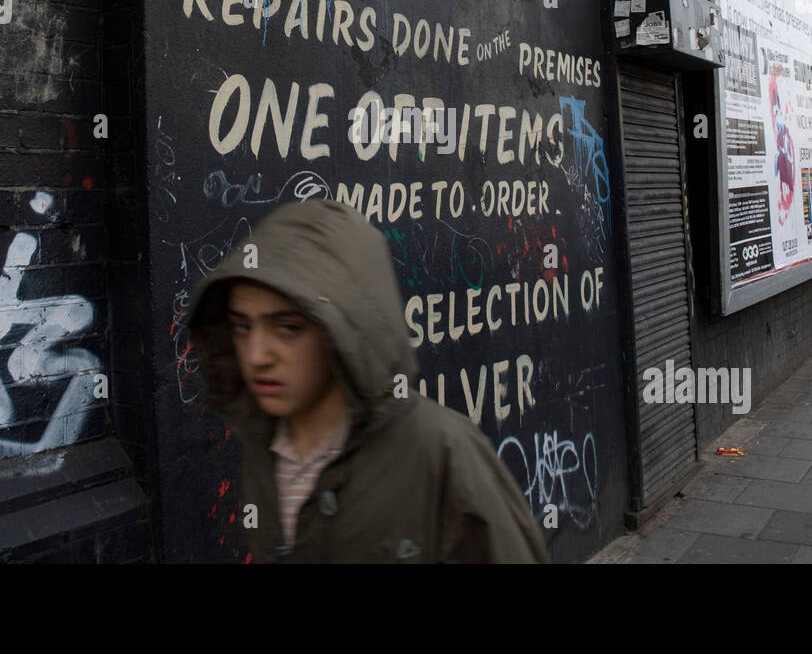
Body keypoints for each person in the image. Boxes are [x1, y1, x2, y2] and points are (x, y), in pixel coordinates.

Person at [185, 198, 549, 563]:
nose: (256, 354)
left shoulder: (441, 454)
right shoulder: (265, 453)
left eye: (288, 328)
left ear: (343, 330)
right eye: (242, 326)